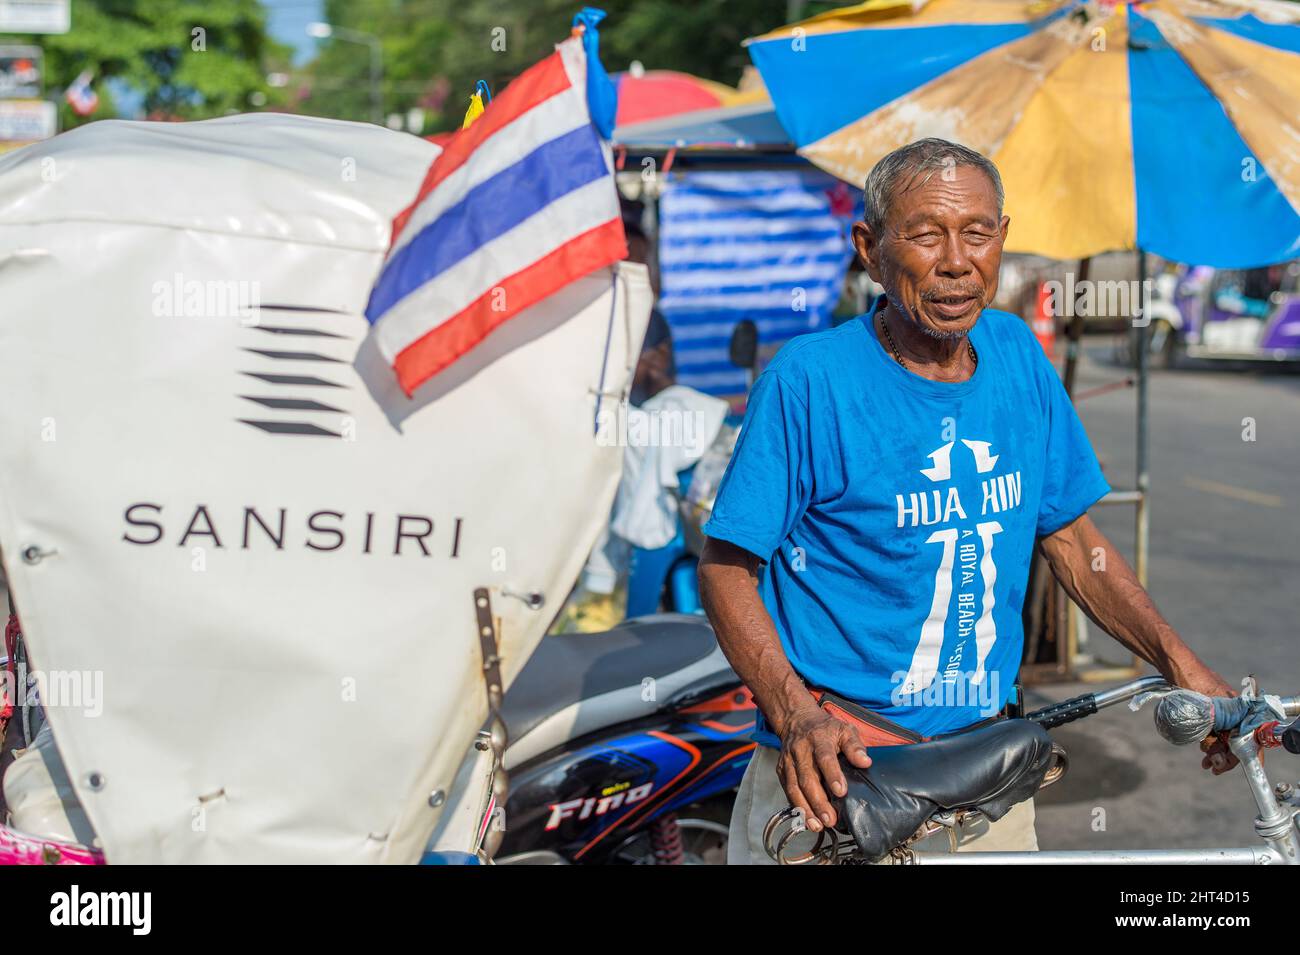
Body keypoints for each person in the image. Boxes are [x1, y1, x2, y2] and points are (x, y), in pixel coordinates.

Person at [697, 138, 1236, 865]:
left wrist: (1181, 663)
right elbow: (726, 568)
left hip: (987, 784)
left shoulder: (1017, 355)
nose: (957, 260)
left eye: (977, 232)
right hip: (839, 787)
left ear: (1002, 239)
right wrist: (794, 714)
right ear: (870, 248)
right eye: (925, 234)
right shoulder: (810, 382)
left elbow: (1073, 540)